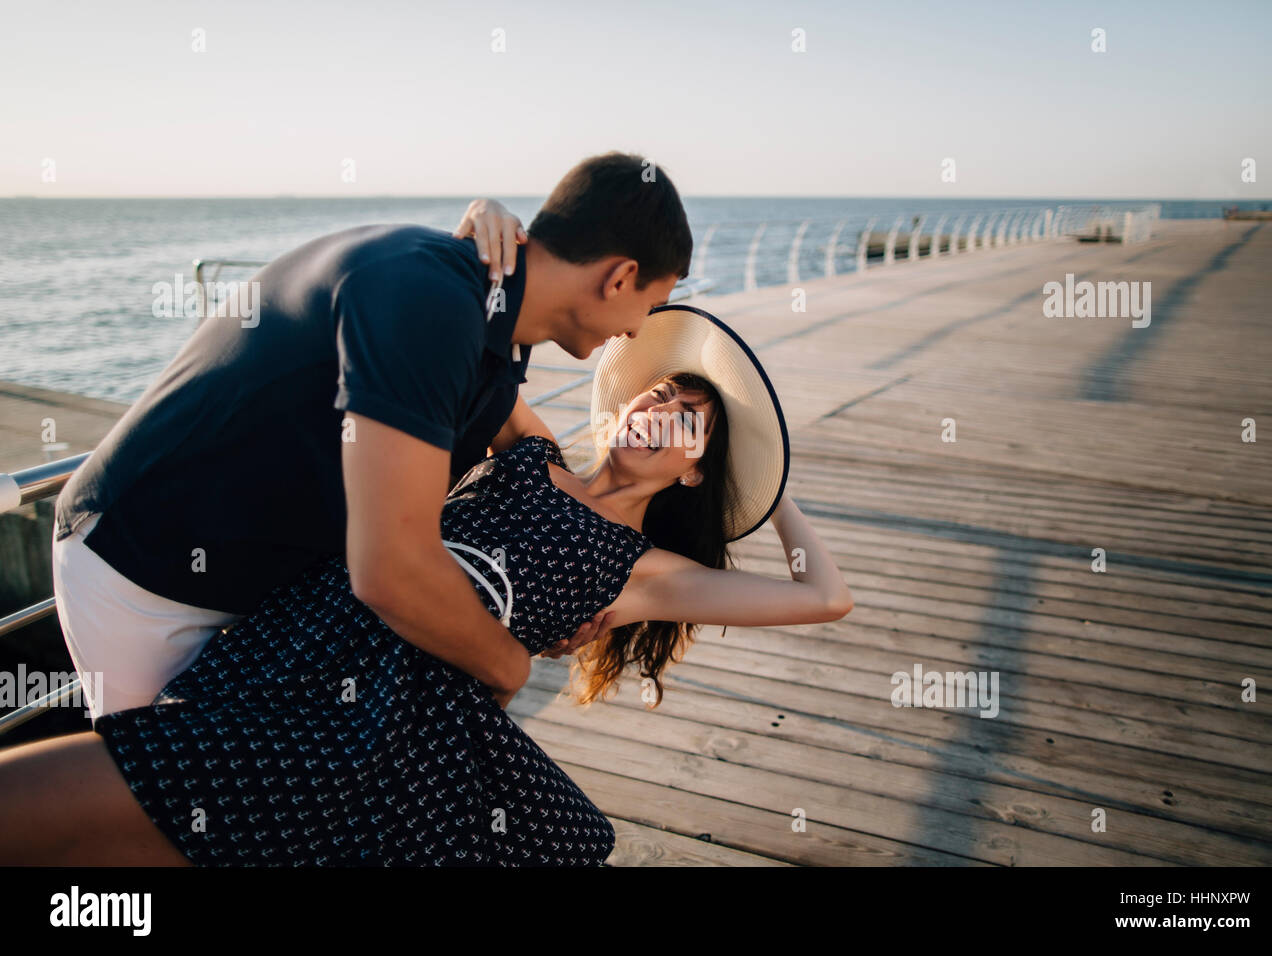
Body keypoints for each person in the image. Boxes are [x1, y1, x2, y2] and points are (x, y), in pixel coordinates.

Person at [0, 305, 853, 866]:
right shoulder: (532, 452)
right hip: (295, 646)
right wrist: (483, 230)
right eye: (658, 392)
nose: (658, 408)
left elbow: (823, 598)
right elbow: (479, 337)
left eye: (688, 418)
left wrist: (774, 495)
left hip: (392, 733)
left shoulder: (639, 572)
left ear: (697, 472)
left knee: (94, 807)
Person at [49, 151, 693, 722]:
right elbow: (388, 571)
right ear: (618, 278)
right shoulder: (432, 301)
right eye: (649, 304)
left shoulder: (494, 321)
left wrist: (565, 593)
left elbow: (535, 458)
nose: (636, 331)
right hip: (144, 571)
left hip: (268, 596)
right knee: (157, 820)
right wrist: (509, 663)